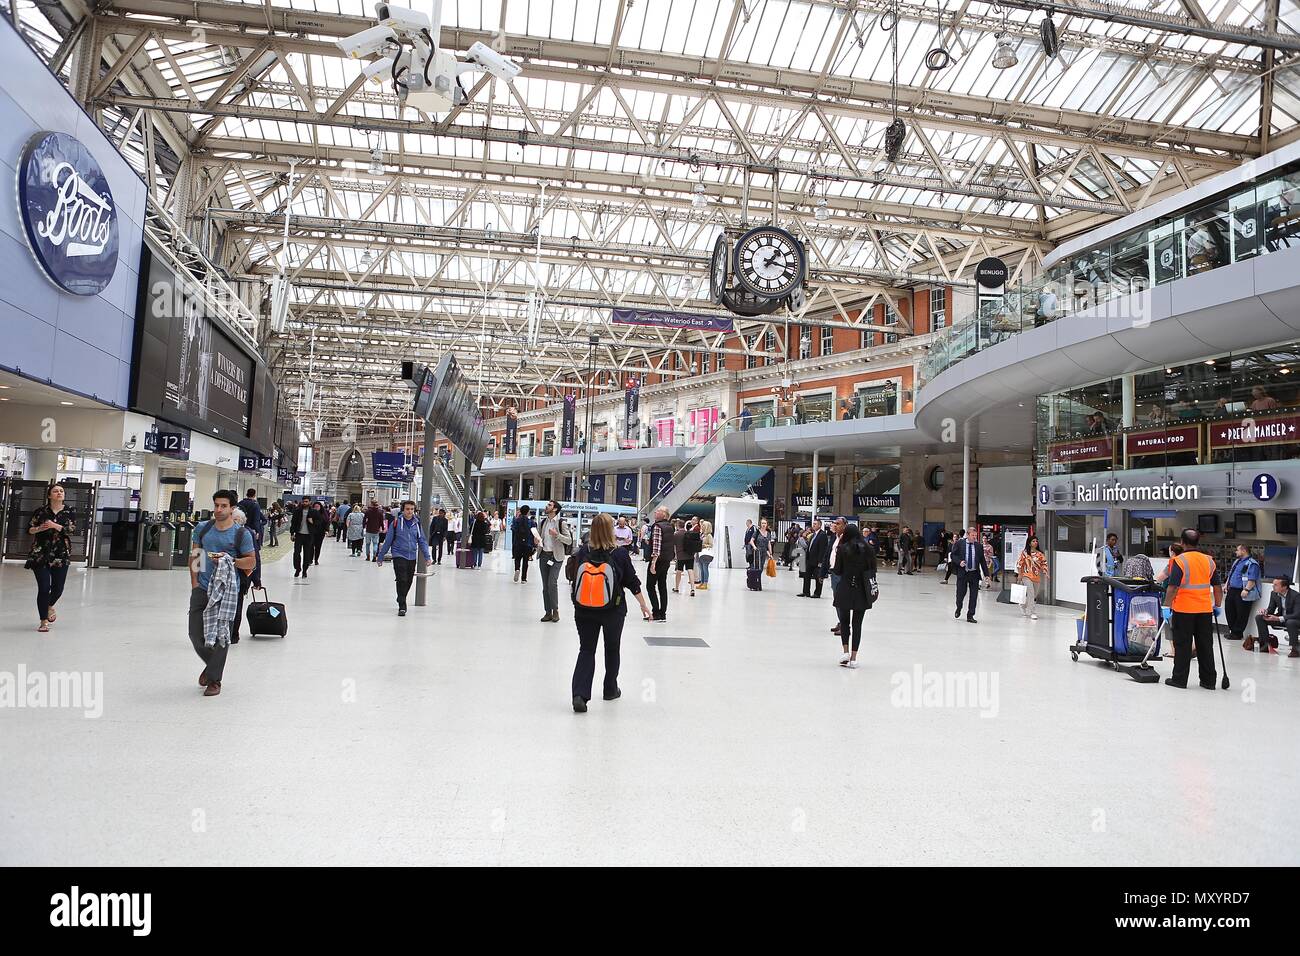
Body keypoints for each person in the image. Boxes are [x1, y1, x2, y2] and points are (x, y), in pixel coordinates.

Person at [568, 513, 652, 713]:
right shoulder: (619, 553)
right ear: (611, 530)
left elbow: (573, 576)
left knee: (586, 649)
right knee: (612, 648)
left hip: (584, 608)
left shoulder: (583, 551)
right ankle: (610, 689)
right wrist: (643, 605)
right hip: (613, 609)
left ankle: (580, 694)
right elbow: (632, 582)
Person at [187, 491, 257, 697]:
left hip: (227, 591)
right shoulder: (203, 528)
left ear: (232, 508)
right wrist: (194, 583)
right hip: (202, 587)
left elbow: (251, 562)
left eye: (223, 506)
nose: (218, 510)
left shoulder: (241, 534)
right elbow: (196, 556)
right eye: (216, 505)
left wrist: (231, 560)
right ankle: (212, 667)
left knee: (222, 636)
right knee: (195, 634)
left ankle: (214, 680)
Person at [1163, 528, 1224, 689]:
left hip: (1183, 610)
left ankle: (1179, 680)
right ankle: (1209, 681)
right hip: (1204, 610)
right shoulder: (1209, 561)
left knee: (1182, 645)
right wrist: (1218, 605)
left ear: (1182, 542)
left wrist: (1166, 606)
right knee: (1205, 646)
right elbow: (1217, 587)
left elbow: (1173, 587)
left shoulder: (1180, 561)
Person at [26, 483, 76, 632]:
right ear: (49, 495)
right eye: (55, 491)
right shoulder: (40, 511)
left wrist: (55, 525)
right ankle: (43, 621)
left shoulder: (69, 511)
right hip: (40, 553)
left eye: (61, 491)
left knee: (58, 588)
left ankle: (48, 606)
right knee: (44, 587)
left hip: (61, 553)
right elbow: (29, 529)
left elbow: (71, 530)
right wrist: (39, 528)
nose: (59, 493)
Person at [375, 500, 431, 616]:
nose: (410, 511)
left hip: (412, 555)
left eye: (412, 509)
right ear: (403, 510)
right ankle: (402, 605)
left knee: (409, 580)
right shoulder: (396, 523)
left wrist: (427, 556)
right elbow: (388, 541)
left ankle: (401, 596)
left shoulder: (417, 523)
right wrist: (380, 556)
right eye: (407, 509)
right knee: (402, 579)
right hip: (398, 554)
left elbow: (422, 540)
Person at [832, 522, 876, 668]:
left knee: (844, 622)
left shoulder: (842, 549)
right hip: (862, 590)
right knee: (857, 624)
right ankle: (854, 657)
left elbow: (837, 570)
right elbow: (873, 570)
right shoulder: (868, 549)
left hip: (845, 588)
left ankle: (845, 652)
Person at [535, 500, 574, 622]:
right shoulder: (543, 522)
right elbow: (540, 538)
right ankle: (548, 612)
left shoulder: (561, 523)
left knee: (552, 583)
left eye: (549, 505)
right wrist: (537, 541)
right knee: (545, 586)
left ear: (555, 509)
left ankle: (555, 610)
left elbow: (569, 540)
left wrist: (557, 535)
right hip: (544, 556)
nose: (546, 506)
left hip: (556, 557)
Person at [1226, 544, 1263, 647]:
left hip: (1243, 591)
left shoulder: (1252, 563)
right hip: (1232, 590)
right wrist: (1226, 585)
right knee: (1229, 611)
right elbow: (1231, 574)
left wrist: (1246, 589)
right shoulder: (1237, 562)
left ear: (1243, 551)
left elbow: (1252, 579)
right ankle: (1233, 631)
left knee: (1242, 613)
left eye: (1237, 550)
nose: (1236, 552)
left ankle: (1237, 633)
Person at [1253, 577, 1300, 657]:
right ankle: (1265, 644)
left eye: (1275, 585)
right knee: (1259, 617)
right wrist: (1265, 612)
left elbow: (1297, 614)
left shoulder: (1296, 596)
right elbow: (1271, 609)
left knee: (1290, 622)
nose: (1273, 586)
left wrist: (1278, 618)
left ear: (1284, 587)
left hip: (1294, 620)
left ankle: (1295, 649)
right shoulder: (1274, 594)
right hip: (1281, 619)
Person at [950, 527, 988, 624]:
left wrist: (986, 574)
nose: (974, 537)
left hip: (974, 573)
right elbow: (953, 555)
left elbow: (982, 561)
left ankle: (970, 615)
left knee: (974, 595)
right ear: (967, 535)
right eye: (972, 535)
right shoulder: (960, 543)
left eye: (975, 535)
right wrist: (959, 562)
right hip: (963, 573)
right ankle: (959, 607)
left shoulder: (978, 546)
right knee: (960, 594)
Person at [646, 506, 674, 622]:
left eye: (658, 511)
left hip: (657, 561)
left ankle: (656, 612)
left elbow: (656, 546)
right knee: (662, 586)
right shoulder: (670, 526)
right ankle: (663, 613)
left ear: (664, 514)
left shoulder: (658, 526)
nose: (655, 512)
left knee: (650, 586)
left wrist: (653, 563)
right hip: (666, 560)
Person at [236, 488, 265, 588]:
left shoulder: (240, 503)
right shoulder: (255, 505)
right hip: (251, 530)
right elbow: (257, 520)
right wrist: (257, 531)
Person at [1015, 536, 1049, 620]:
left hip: (1036, 576)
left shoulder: (1040, 554)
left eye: (1036, 541)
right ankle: (1033, 612)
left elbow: (1044, 564)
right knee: (1031, 593)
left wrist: (1046, 572)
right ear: (1029, 543)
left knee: (1034, 595)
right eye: (1033, 541)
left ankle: (1023, 605)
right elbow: (1019, 564)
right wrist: (1019, 574)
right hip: (1026, 575)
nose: (1035, 542)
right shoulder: (1025, 553)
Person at [826, 518, 847, 635]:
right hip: (834, 572)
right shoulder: (836, 537)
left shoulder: (846, 539)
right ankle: (841, 622)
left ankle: (844, 625)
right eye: (835, 524)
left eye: (838, 524)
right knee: (836, 600)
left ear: (844, 526)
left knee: (841, 600)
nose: (835, 525)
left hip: (841, 573)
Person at [800, 519, 829, 598]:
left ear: (819, 525)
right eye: (813, 524)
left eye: (815, 524)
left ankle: (817, 593)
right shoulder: (813, 535)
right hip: (810, 559)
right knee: (806, 576)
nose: (813, 525)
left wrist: (820, 561)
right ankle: (806, 592)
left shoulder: (822, 535)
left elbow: (823, 549)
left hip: (817, 561)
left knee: (818, 577)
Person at [290, 501, 319, 578]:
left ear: (310, 502)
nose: (305, 503)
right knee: (296, 553)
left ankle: (304, 571)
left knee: (307, 554)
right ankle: (297, 568)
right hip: (299, 535)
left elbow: (319, 522)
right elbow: (293, 522)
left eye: (306, 501)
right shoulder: (297, 511)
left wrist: (313, 522)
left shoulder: (314, 512)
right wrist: (292, 533)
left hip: (309, 536)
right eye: (303, 501)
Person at [677, 517, 702, 597]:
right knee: (690, 570)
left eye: (694, 519)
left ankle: (676, 587)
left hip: (681, 555)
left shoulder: (677, 534)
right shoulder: (690, 532)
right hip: (690, 554)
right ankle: (692, 588)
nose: (692, 520)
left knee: (679, 570)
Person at [511, 505, 535, 583]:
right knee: (525, 561)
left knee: (517, 559)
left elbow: (513, 529)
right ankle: (523, 579)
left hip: (518, 543)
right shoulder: (531, 522)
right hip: (527, 544)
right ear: (528, 512)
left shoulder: (516, 520)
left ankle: (517, 569)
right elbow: (534, 533)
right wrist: (534, 545)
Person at [748, 518, 772, 591]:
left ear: (767, 524)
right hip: (757, 552)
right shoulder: (757, 532)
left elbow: (768, 544)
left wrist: (770, 553)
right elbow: (751, 541)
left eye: (765, 523)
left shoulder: (768, 534)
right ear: (760, 524)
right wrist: (754, 547)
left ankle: (757, 584)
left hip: (763, 553)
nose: (764, 524)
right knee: (756, 568)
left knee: (760, 568)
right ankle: (754, 584)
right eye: (762, 523)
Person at [696, 520, 714, 590]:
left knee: (705, 568)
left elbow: (711, 545)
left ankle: (705, 583)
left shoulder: (709, 535)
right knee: (701, 569)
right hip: (700, 553)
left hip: (706, 555)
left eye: (703, 525)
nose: (702, 526)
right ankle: (702, 583)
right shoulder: (702, 534)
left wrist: (703, 545)